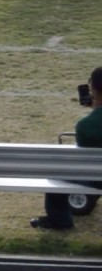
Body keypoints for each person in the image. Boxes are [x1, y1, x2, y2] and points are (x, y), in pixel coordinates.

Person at [29, 66, 102, 230]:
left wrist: (96, 110)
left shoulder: (85, 126)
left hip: (96, 178)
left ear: (94, 90)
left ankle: (59, 220)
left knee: (56, 173)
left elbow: (87, 157)